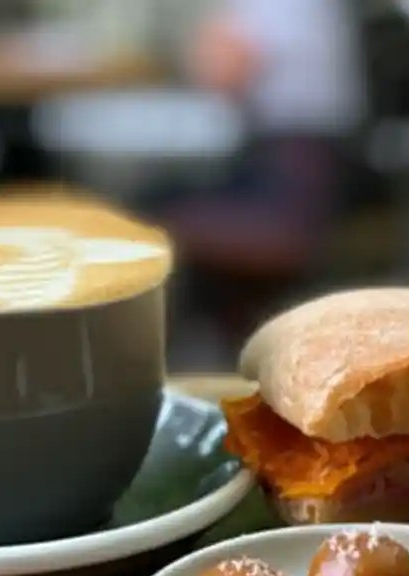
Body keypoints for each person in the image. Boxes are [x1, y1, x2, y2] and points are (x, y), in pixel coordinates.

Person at [148, 0, 366, 367]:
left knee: (148, 217)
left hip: (289, 193)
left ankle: (163, 371)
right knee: (164, 197)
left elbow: (219, 71)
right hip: (320, 180)